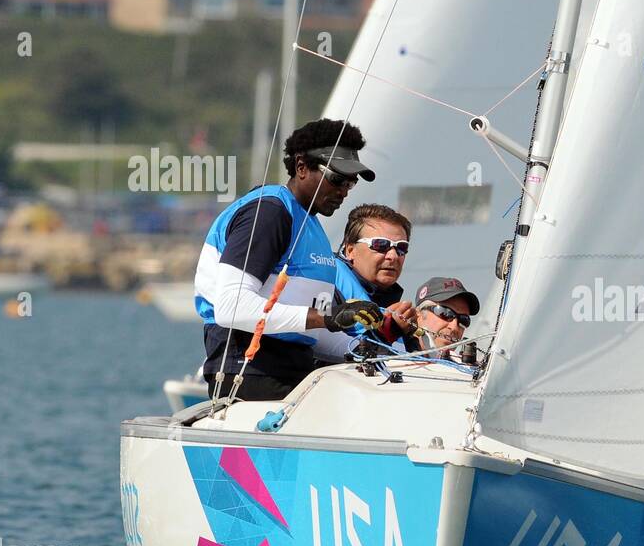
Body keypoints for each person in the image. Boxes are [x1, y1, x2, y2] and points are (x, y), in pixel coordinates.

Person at [194, 118, 385, 400]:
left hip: (295, 369)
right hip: (249, 370)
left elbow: (311, 332)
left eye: (351, 182)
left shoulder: (312, 226)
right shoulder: (269, 213)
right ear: (301, 167)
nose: (344, 190)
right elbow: (231, 307)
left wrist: (368, 350)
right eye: (337, 178)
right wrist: (327, 317)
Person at [313, 203, 421, 366]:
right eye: (380, 245)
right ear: (350, 250)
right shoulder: (323, 287)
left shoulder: (395, 306)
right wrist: (387, 333)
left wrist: (409, 337)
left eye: (401, 248)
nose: (393, 256)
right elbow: (319, 345)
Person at [413, 276, 482, 366]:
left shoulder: (466, 371)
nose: (454, 327)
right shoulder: (392, 350)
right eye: (445, 313)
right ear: (418, 314)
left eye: (463, 319)